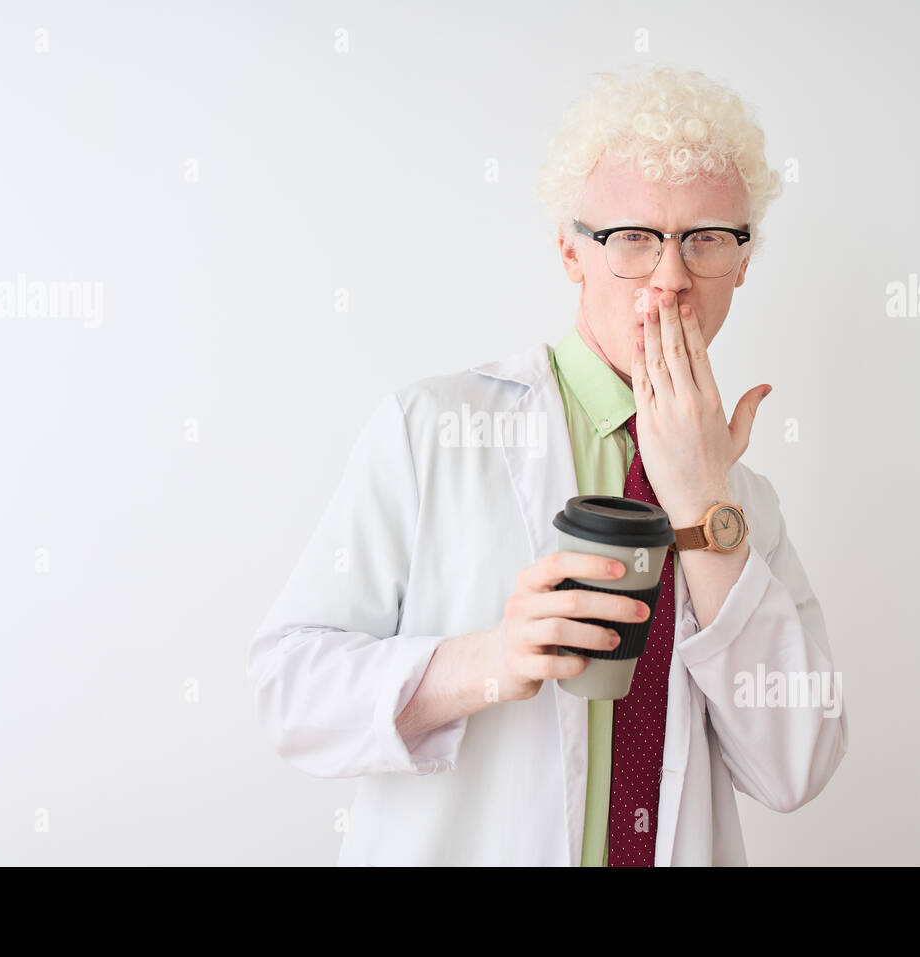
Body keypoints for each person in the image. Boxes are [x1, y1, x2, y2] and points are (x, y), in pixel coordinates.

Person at [247, 63, 848, 866]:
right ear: (571, 252)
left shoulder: (743, 507)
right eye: (632, 238)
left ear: (742, 263)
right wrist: (489, 659)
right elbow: (288, 689)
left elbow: (795, 765)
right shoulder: (434, 429)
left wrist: (707, 506)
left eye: (706, 239)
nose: (670, 279)